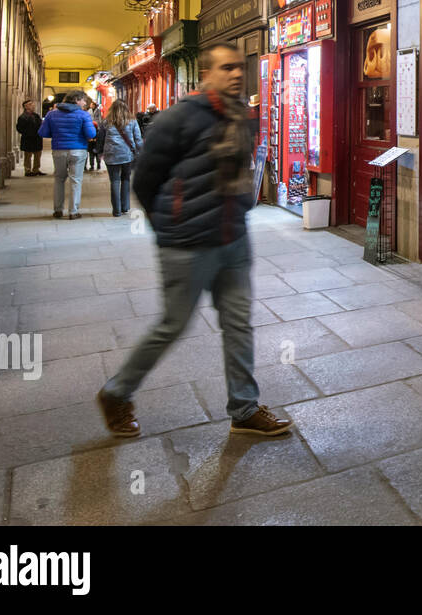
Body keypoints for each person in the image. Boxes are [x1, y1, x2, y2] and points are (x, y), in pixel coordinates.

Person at [97, 45, 292, 438]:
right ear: (206, 73)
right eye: (227, 68)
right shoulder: (178, 118)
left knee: (239, 324)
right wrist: (168, 226)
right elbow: (145, 179)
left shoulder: (240, 115)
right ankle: (116, 393)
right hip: (188, 244)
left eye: (240, 67)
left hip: (233, 238)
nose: (237, 74)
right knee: (172, 325)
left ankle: (244, 408)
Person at [38, 90, 96, 219]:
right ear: (76, 100)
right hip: (78, 150)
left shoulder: (51, 114)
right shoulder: (83, 115)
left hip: (59, 150)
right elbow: (91, 134)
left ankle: (58, 210)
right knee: (76, 180)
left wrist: (58, 134)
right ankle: (73, 212)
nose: (85, 103)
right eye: (83, 100)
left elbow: (43, 133)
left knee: (59, 179)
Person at [99, 99, 144, 217]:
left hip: (111, 154)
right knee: (126, 180)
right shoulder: (133, 121)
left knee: (114, 181)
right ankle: (125, 207)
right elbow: (138, 139)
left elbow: (101, 138)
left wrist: (99, 152)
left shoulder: (106, 122)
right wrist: (141, 152)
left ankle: (116, 210)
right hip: (127, 155)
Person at [15, 99, 44, 176]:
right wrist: (28, 133)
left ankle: (36, 169)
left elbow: (41, 125)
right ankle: (27, 170)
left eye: (32, 104)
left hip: (37, 138)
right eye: (30, 104)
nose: (33, 105)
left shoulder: (36, 116)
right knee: (28, 155)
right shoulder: (22, 117)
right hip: (28, 138)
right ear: (26, 106)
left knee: (38, 154)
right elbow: (19, 128)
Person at [84, 97, 104, 171]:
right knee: (93, 154)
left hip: (96, 124)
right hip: (91, 124)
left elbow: (99, 118)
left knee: (94, 154)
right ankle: (92, 166)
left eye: (92, 105)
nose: (91, 106)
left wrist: (99, 125)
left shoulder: (98, 110)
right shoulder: (89, 111)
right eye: (91, 105)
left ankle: (97, 165)